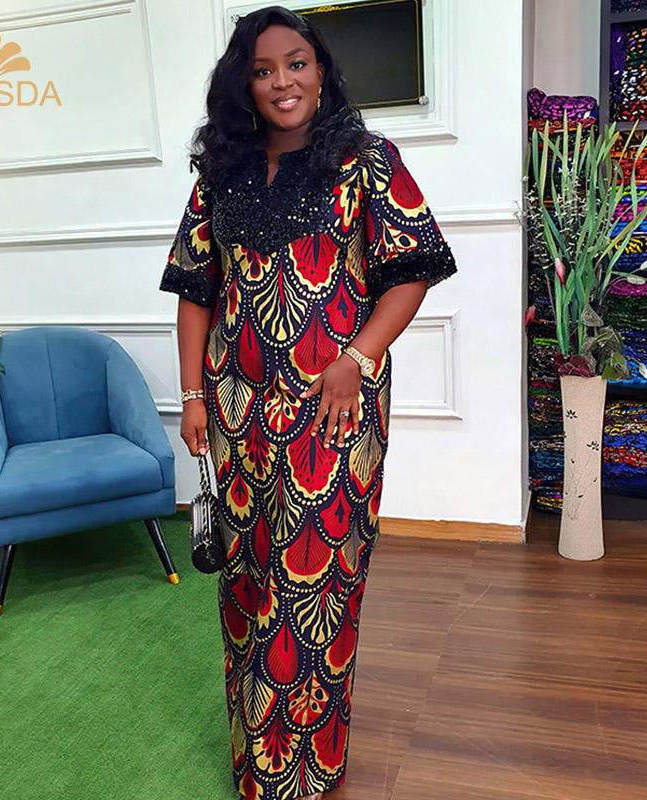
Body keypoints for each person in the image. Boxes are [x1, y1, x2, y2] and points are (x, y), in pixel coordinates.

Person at [159, 6, 458, 799]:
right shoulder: (221, 173)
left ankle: (301, 770)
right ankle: (256, 757)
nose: (282, 82)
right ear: (244, 84)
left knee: (317, 582)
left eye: (296, 63)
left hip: (334, 413)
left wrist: (358, 358)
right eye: (263, 71)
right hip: (237, 412)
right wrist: (191, 395)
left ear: (321, 69)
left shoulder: (367, 159)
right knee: (248, 581)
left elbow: (412, 272)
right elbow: (194, 290)